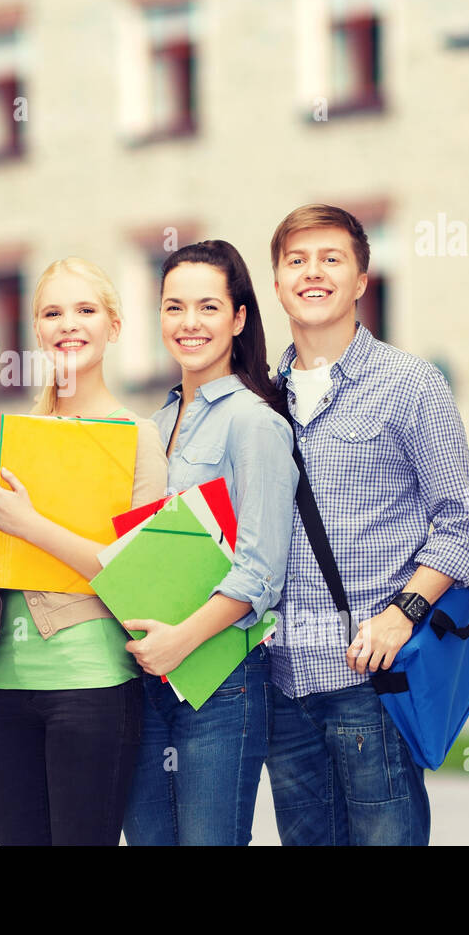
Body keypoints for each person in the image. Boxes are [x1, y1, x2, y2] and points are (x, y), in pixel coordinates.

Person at [264, 203, 469, 846]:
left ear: (362, 280)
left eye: (332, 259)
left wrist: (401, 614)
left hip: (373, 682)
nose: (313, 273)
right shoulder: (259, 398)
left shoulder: (412, 385)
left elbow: (464, 526)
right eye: (297, 261)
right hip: (283, 682)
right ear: (277, 282)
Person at [0, 257, 168, 845]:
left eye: (86, 310)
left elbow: (136, 575)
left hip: (92, 685)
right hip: (6, 687)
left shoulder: (139, 437)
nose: (69, 324)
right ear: (36, 330)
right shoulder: (6, 438)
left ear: (114, 326)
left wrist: (30, 524)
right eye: (53, 312)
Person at [122, 239, 298, 846]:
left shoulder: (255, 422)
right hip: (146, 674)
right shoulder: (154, 424)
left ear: (239, 317)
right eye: (174, 307)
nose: (189, 323)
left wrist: (181, 642)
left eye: (207, 307)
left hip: (221, 679)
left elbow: (260, 573)